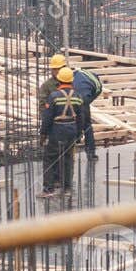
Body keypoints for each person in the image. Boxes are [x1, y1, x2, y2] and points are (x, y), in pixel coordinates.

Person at [40, 67, 88, 196]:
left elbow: (47, 118)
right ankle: (67, 189)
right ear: (72, 81)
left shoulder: (54, 96)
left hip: (57, 129)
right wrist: (79, 134)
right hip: (71, 129)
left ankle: (48, 189)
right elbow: (81, 118)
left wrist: (43, 134)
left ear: (59, 81)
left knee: (50, 158)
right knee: (67, 159)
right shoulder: (78, 96)